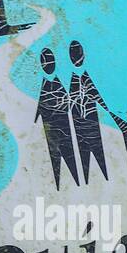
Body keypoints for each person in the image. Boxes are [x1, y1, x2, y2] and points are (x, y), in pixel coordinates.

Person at [35, 48, 79, 189]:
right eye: (47, 63)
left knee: (70, 157)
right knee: (55, 163)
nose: (49, 66)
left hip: (63, 124)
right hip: (51, 128)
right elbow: (39, 108)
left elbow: (68, 101)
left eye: (51, 62)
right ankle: (59, 186)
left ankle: (76, 183)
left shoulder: (58, 83)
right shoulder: (45, 85)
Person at [68, 41, 108, 182]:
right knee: (83, 157)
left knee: (99, 155)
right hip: (78, 121)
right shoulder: (73, 80)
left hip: (92, 119)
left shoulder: (85, 77)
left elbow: (97, 96)